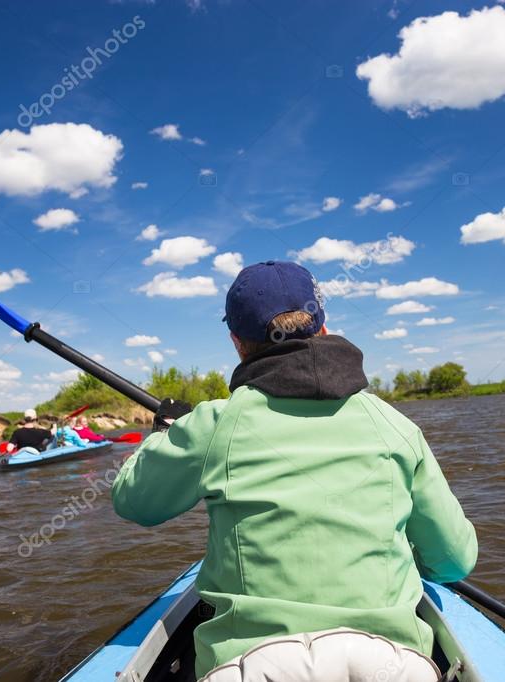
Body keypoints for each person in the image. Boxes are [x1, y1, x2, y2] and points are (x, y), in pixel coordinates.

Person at [112, 260, 478, 681]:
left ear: (237, 343)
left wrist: (163, 435)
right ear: (322, 326)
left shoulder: (214, 425)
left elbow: (132, 501)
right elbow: (453, 561)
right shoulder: (395, 426)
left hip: (251, 664)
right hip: (389, 662)